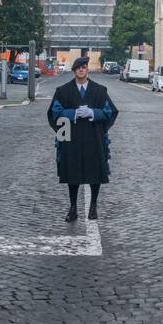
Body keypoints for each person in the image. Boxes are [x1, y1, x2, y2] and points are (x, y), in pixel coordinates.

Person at [47, 55, 120, 222]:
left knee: (95, 172)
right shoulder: (63, 91)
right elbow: (55, 112)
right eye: (78, 68)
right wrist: (73, 113)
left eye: (84, 67)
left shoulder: (100, 91)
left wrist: (93, 113)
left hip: (93, 137)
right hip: (71, 138)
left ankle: (93, 206)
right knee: (72, 173)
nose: (81, 70)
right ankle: (73, 208)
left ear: (87, 70)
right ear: (74, 70)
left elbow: (110, 112)